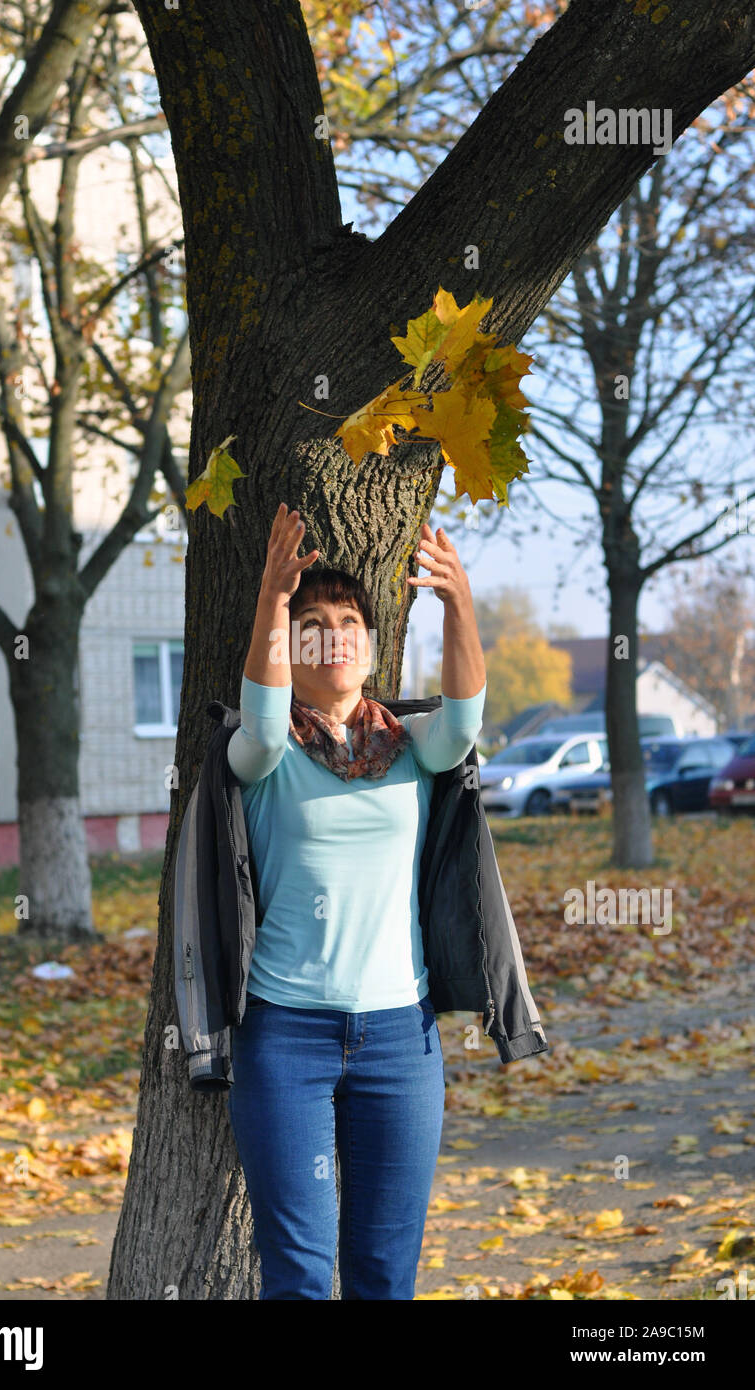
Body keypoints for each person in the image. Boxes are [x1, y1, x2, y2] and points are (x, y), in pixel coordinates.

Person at [226, 502, 487, 1300]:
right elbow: (267, 724)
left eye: (347, 620)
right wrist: (274, 597)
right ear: (289, 646)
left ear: (372, 644)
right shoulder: (260, 751)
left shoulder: (413, 749)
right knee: (300, 1278)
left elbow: (465, 720)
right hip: (283, 1040)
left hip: (398, 1043)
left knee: (383, 1275)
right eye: (313, 624)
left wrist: (459, 603)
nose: (332, 633)